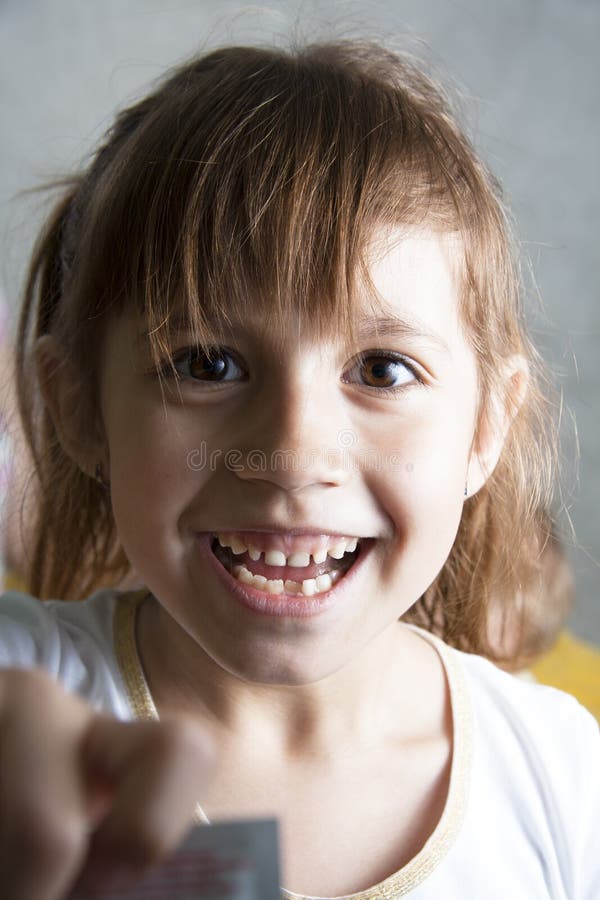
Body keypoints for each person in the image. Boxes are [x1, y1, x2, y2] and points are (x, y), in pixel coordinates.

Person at [0, 39, 598, 899]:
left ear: (485, 428)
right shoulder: (22, 690)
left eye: (383, 369)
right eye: (206, 363)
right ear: (81, 411)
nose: (291, 457)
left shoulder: (568, 782)